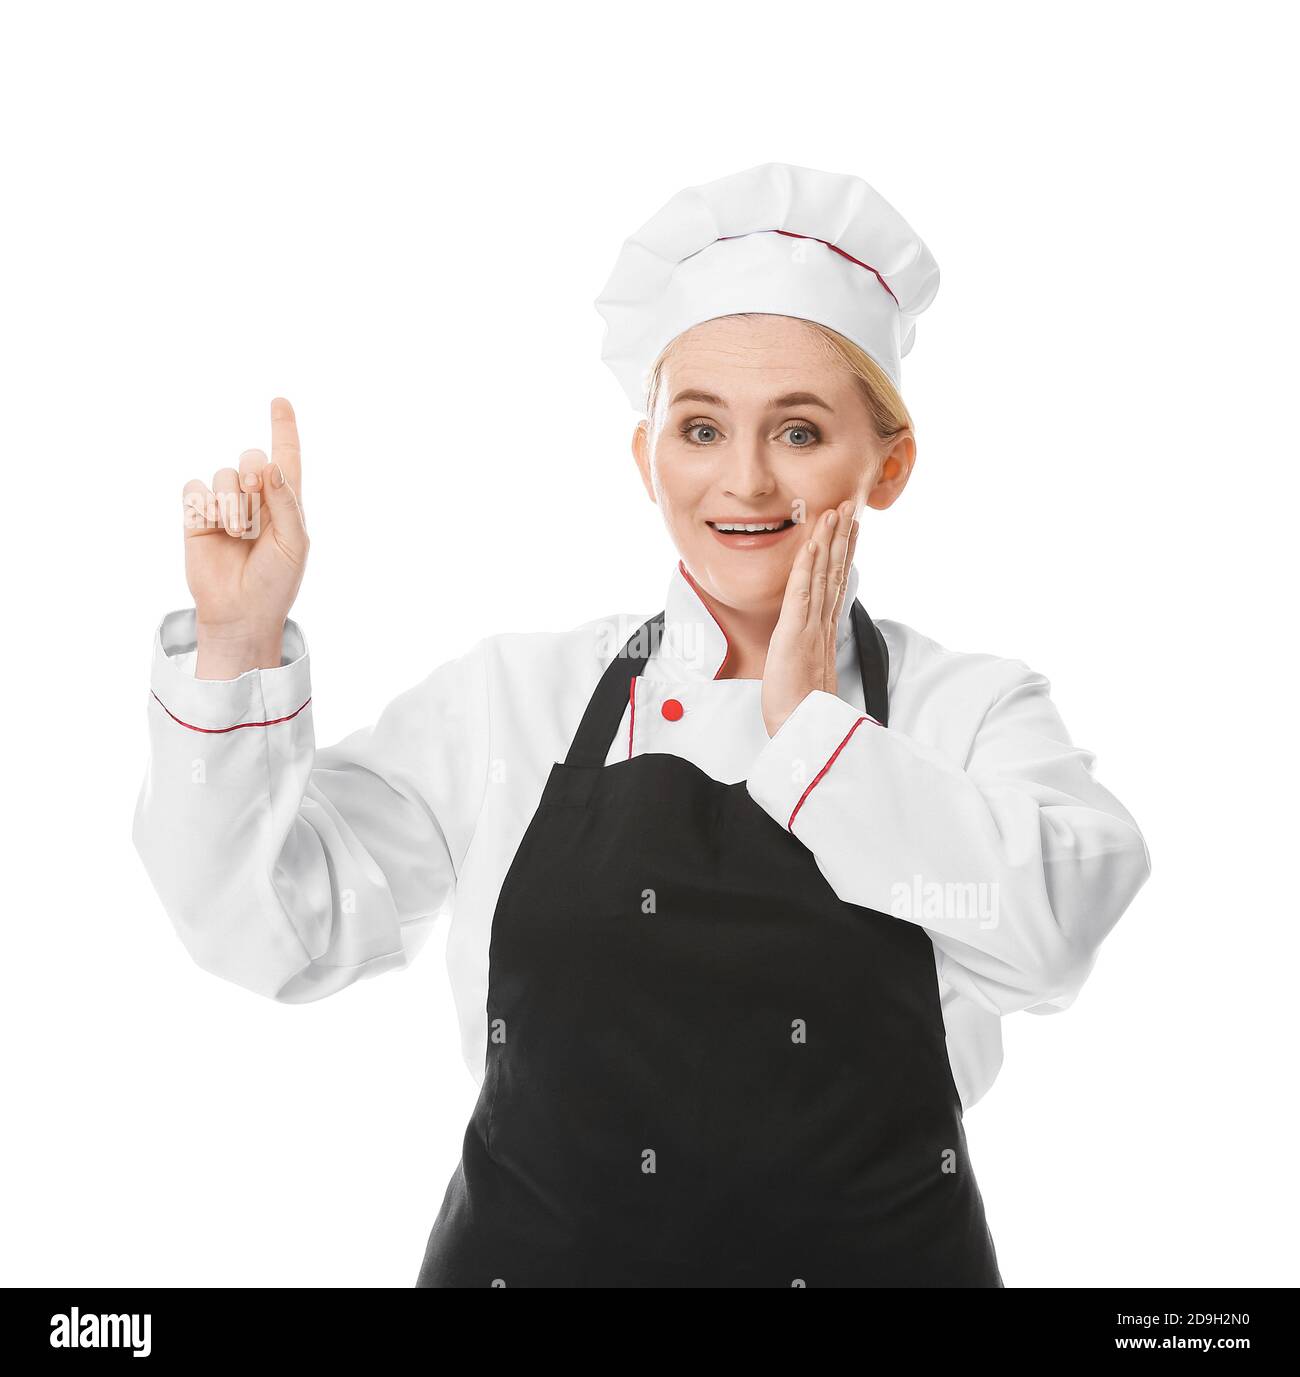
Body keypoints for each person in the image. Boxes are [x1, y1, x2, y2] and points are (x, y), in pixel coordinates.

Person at [133, 162, 1151, 1287]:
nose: (746, 483)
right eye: (701, 429)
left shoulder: (967, 711)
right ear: (645, 458)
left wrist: (815, 730)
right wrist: (235, 646)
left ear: (889, 464)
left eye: (801, 433)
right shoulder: (513, 700)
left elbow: (1056, 935)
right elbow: (271, 929)